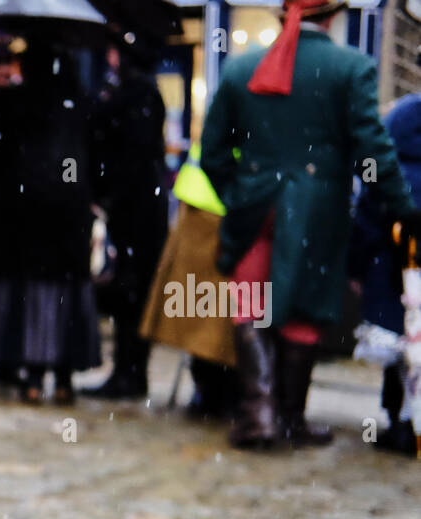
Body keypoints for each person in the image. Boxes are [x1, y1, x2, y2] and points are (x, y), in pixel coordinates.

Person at [201, 0, 420, 449]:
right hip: (317, 208)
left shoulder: (240, 68)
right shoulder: (351, 67)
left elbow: (212, 153)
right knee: (303, 311)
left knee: (251, 304)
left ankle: (257, 413)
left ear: (283, 15)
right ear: (334, 17)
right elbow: (372, 154)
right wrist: (401, 207)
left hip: (253, 205)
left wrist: (238, 193)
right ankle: (288, 418)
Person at [0, 40, 100, 404]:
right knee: (66, 292)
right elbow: (98, 157)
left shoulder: (12, 104)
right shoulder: (82, 105)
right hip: (69, 215)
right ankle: (65, 377)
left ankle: (33, 375)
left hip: (27, 214)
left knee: (32, 293)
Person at [85, 37, 170, 400]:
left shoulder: (135, 97)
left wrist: (108, 197)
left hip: (135, 212)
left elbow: (126, 159)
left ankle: (129, 373)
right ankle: (128, 371)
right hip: (140, 209)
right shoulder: (141, 95)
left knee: (130, 294)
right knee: (131, 293)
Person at [139, 143, 239, 420]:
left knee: (204, 312)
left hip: (209, 200)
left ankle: (210, 391)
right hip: (217, 206)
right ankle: (214, 390)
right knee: (212, 315)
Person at [351, 93, 421, 456]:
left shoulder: (387, 173)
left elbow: (366, 218)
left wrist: (357, 266)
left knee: (398, 349)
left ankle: (400, 423)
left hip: (389, 269)